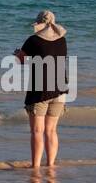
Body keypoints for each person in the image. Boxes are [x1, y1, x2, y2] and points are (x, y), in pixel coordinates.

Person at [15, 10, 69, 167]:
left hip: (40, 90)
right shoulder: (62, 40)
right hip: (60, 89)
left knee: (37, 131)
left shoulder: (33, 40)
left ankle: (36, 166)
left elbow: (22, 60)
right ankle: (51, 165)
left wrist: (18, 53)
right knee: (51, 131)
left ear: (38, 24)